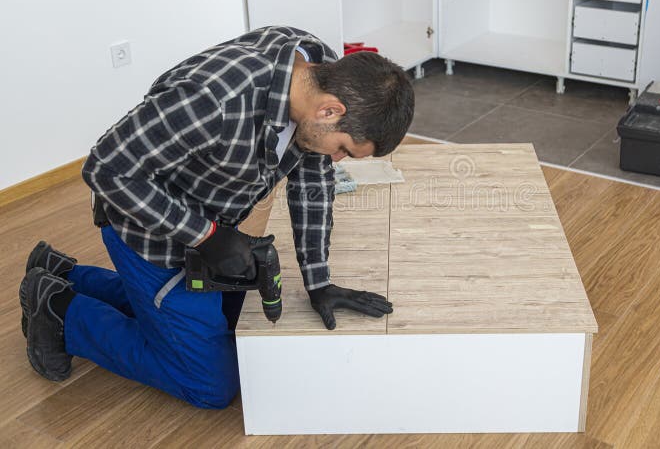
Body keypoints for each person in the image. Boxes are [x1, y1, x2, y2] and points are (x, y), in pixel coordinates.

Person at [19, 26, 415, 408]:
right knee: (210, 384)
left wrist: (318, 280)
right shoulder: (215, 99)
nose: (336, 160)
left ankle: (64, 272)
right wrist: (206, 236)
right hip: (146, 230)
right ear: (330, 110)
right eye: (344, 148)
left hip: (207, 225)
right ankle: (60, 310)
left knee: (228, 322)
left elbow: (313, 183)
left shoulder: (318, 72)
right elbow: (106, 169)